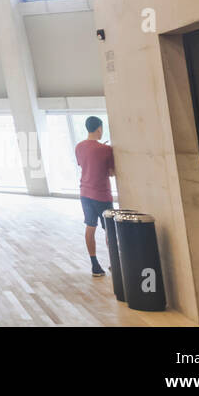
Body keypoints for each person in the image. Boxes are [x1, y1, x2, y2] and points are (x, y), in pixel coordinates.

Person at [75, 115, 115, 277]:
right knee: (109, 230)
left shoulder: (79, 147)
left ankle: (95, 266)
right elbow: (111, 173)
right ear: (99, 128)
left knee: (90, 228)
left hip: (85, 194)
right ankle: (115, 263)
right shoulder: (106, 150)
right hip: (102, 195)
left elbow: (83, 164)